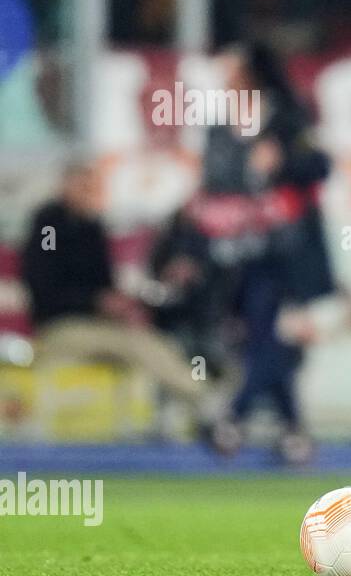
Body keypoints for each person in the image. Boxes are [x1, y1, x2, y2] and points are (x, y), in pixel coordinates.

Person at [199, 42, 335, 463]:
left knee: (270, 334)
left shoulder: (287, 119)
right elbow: (214, 181)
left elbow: (320, 167)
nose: (227, 82)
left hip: (289, 250)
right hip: (242, 247)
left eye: (234, 73)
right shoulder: (221, 129)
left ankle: (233, 418)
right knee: (264, 338)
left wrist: (281, 163)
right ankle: (294, 431)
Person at [20, 161, 223, 437]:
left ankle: (178, 410)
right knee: (134, 343)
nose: (88, 193)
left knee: (147, 339)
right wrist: (94, 301)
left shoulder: (91, 228)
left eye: (92, 186)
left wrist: (120, 304)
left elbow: (104, 286)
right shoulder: (48, 226)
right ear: (65, 185)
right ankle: (206, 398)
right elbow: (44, 287)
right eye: (83, 185)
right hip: (59, 327)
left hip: (98, 326)